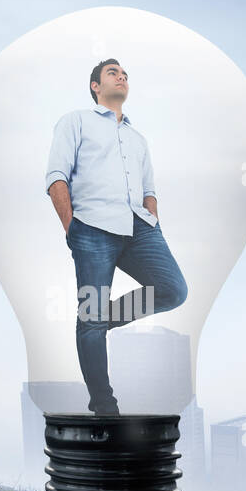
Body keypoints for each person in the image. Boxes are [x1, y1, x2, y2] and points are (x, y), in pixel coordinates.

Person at [44, 59, 188, 415]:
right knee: (89, 317)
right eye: (112, 72)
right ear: (95, 85)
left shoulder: (138, 139)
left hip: (139, 229)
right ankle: (104, 406)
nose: (121, 76)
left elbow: (149, 188)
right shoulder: (75, 121)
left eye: (124, 74)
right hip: (92, 227)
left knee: (173, 290)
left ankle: (99, 320)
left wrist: (152, 219)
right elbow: (55, 176)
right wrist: (72, 227)